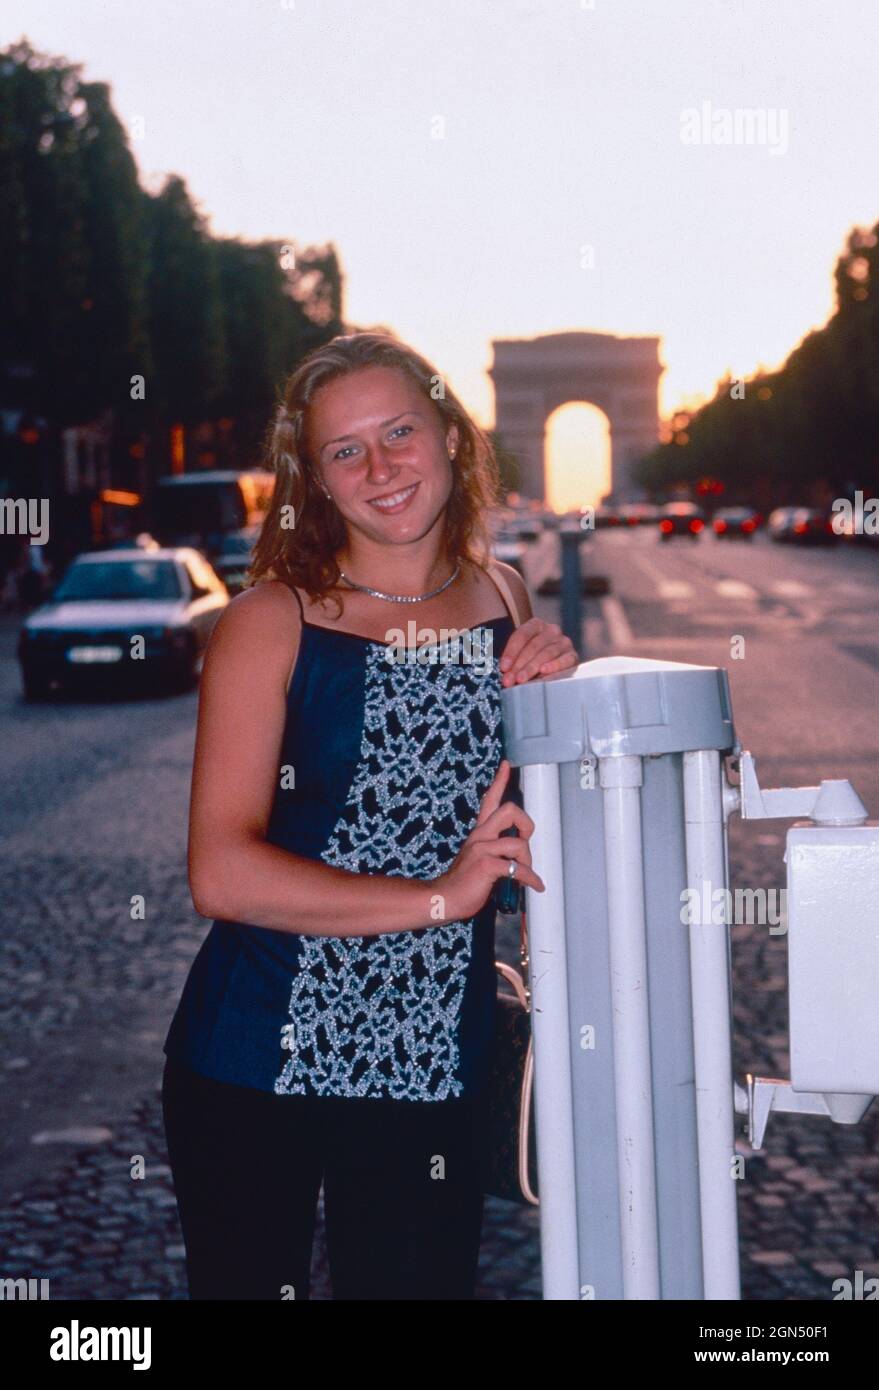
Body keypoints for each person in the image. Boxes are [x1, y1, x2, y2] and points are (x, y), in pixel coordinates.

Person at [161, 330, 578, 1300]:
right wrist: (438, 899)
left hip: (430, 1068)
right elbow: (219, 873)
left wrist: (557, 696)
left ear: (452, 435)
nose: (382, 466)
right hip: (258, 1060)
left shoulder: (505, 598)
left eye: (400, 431)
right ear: (313, 478)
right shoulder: (272, 619)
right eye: (345, 449)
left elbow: (508, 825)